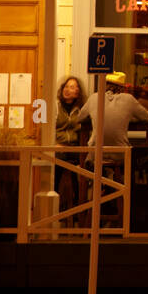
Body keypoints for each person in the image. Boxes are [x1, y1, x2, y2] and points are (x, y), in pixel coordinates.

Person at [70, 71, 148, 226]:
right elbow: (147, 117)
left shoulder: (94, 98)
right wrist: (129, 117)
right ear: (123, 87)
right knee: (128, 171)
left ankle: (96, 213)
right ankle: (122, 218)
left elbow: (80, 118)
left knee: (98, 173)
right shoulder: (129, 99)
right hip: (120, 155)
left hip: (95, 156)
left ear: (104, 85)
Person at [53, 75, 91, 227]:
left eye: (73, 87)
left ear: (78, 92)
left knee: (79, 175)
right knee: (56, 171)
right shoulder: (55, 107)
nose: (68, 90)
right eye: (66, 86)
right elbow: (46, 127)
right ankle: (55, 211)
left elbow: (87, 130)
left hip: (75, 148)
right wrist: (54, 143)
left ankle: (77, 213)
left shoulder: (82, 109)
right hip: (57, 147)